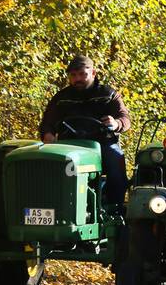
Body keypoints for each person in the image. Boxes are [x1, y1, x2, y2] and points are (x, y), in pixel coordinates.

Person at [38, 56, 131, 204]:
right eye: (73, 75)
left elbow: (125, 118)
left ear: (93, 73)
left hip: (102, 145)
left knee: (116, 161)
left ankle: (116, 207)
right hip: (68, 145)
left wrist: (116, 123)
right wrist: (48, 134)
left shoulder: (108, 94)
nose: (78, 79)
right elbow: (47, 122)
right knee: (42, 167)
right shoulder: (61, 98)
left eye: (82, 74)